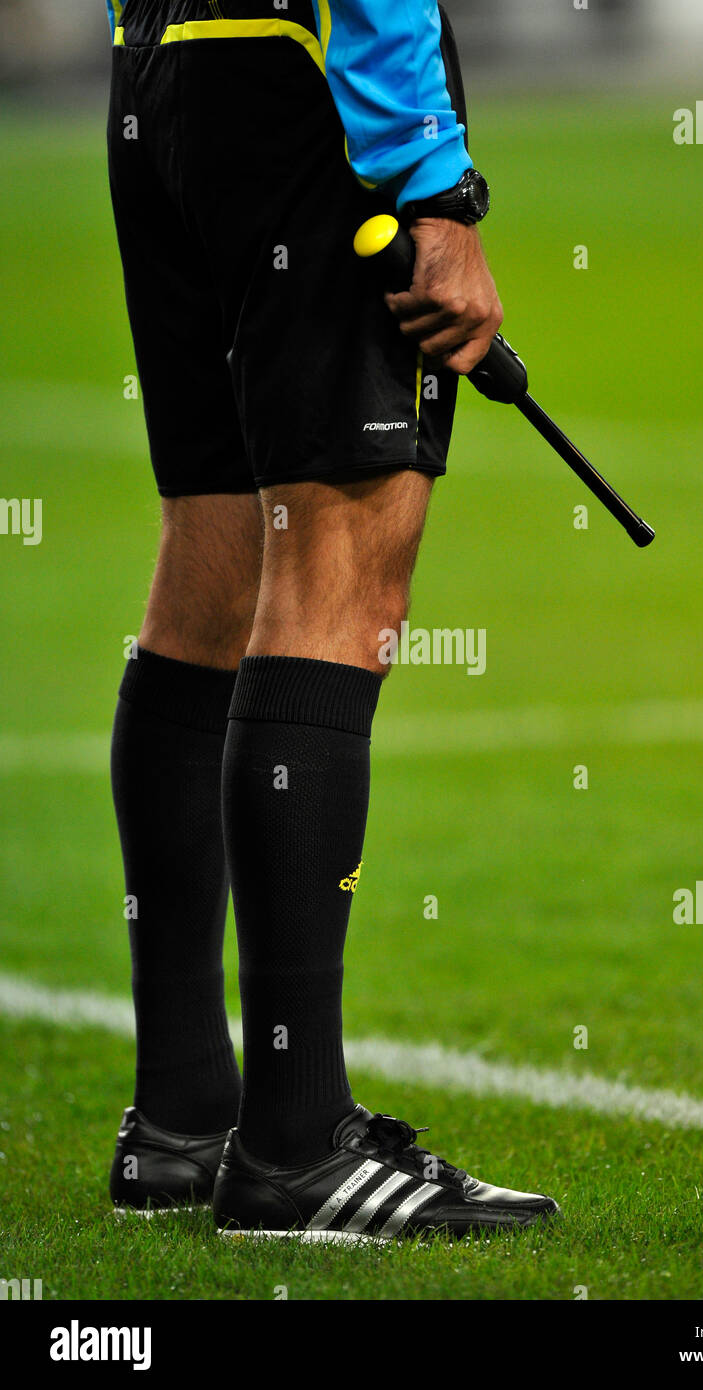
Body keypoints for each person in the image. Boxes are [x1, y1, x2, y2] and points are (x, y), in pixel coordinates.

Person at [106, 0, 558, 1241]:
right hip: (313, 89)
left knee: (211, 559)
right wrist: (435, 186)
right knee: (338, 571)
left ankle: (184, 1116)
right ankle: (296, 1144)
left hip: (159, 71)